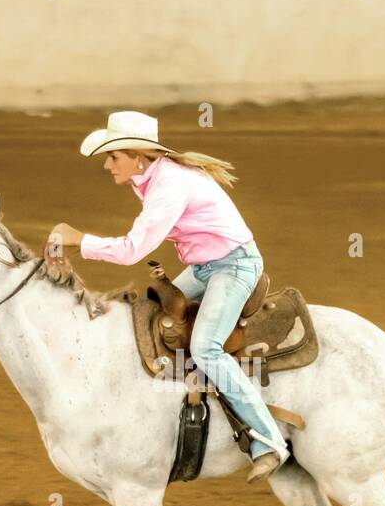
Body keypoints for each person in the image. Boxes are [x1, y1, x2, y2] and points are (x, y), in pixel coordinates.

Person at [46, 110, 289, 483]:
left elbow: (131, 251)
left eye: (113, 156)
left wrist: (80, 240)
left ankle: (268, 439)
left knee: (207, 347)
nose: (108, 165)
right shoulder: (152, 178)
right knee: (148, 313)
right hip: (208, 266)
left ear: (137, 156)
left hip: (232, 267)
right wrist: (80, 245)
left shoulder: (169, 186)